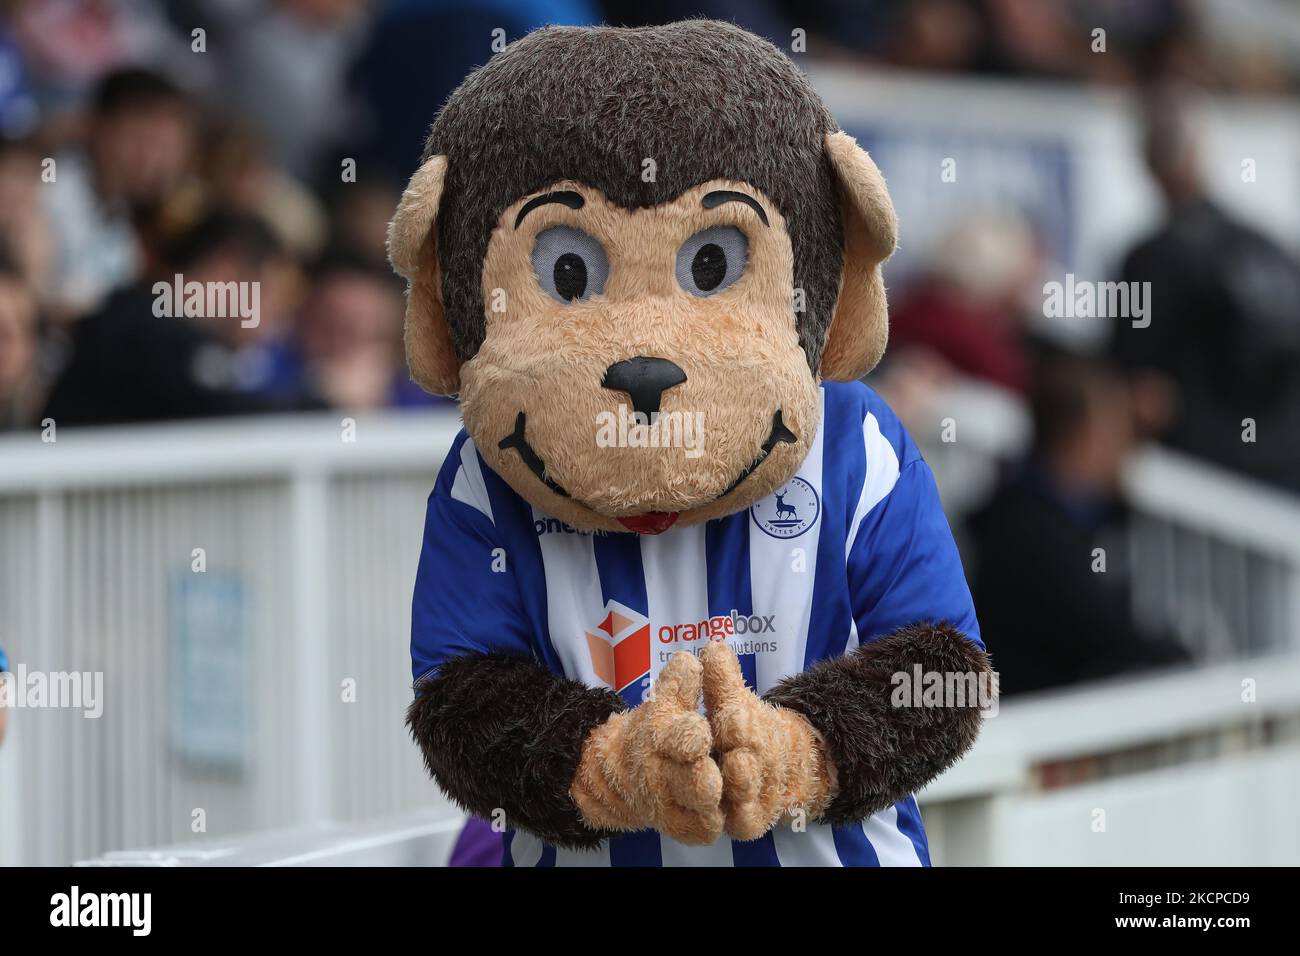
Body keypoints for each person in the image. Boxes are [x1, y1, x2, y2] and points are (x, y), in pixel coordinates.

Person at [968, 350, 1189, 695]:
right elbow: (1101, 630)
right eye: (1120, 425)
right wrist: (1179, 654)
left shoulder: (1068, 517)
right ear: (1082, 434)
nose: (1128, 444)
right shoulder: (1028, 530)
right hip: (1024, 731)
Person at [1112, 96, 1300, 492]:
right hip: (1281, 463)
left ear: (1148, 165)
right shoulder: (1267, 245)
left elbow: (1143, 393)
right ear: (1199, 153)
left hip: (1205, 482)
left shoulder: (1151, 258)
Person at [42, 211, 322, 425]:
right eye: (270, 295)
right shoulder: (142, 324)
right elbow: (230, 413)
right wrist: (327, 402)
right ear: (228, 267)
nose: (270, 321)